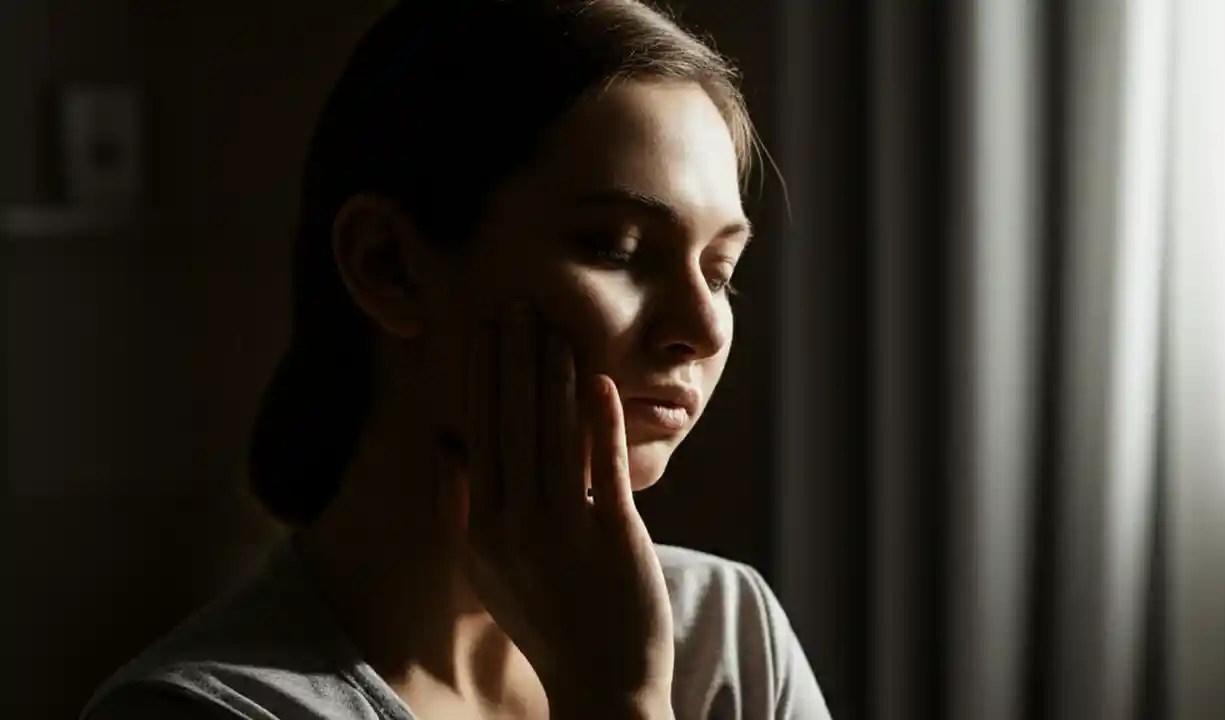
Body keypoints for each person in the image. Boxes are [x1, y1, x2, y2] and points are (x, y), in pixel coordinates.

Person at [80, 1, 830, 718]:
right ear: (388, 266)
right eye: (618, 249)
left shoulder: (731, 638)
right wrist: (611, 694)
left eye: (721, 271)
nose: (700, 327)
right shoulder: (204, 708)